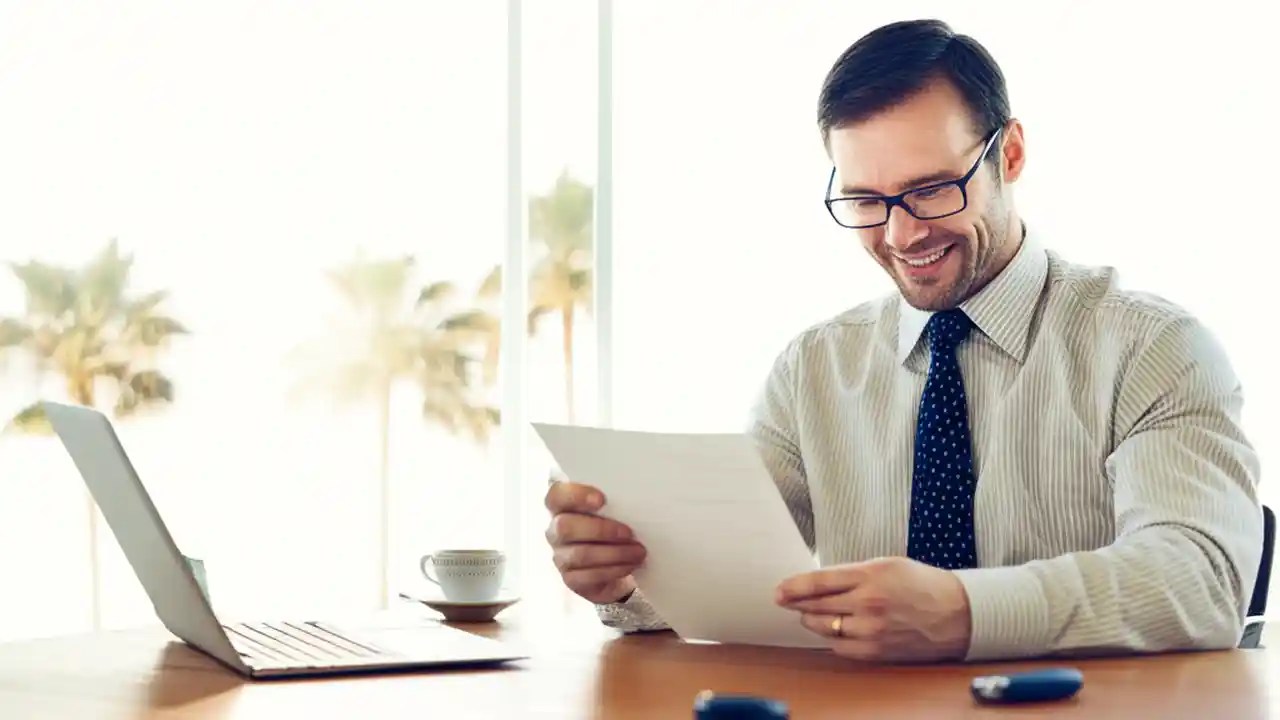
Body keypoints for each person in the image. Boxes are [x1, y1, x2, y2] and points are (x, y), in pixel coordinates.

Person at [542, 18, 1263, 663]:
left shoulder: (1154, 349)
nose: (901, 234)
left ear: (1009, 155)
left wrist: (965, 613)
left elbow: (1203, 579)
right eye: (865, 201)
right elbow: (740, 576)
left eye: (931, 190)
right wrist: (633, 576)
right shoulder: (813, 370)